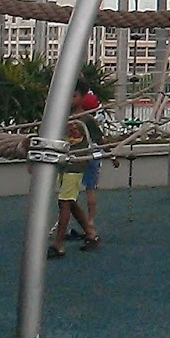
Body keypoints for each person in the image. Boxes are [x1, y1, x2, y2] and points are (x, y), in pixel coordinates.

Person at [52, 116, 101, 258]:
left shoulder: (85, 120)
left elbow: (97, 140)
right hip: (65, 168)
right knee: (71, 202)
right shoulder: (64, 117)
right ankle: (91, 234)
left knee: (64, 203)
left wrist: (112, 155)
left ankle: (58, 244)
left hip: (74, 168)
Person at [69, 79, 109, 240]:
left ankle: (90, 222)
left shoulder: (86, 119)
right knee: (72, 193)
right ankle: (86, 223)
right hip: (76, 158)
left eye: (74, 96)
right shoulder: (68, 118)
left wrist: (111, 155)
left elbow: (100, 140)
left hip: (89, 157)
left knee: (89, 189)